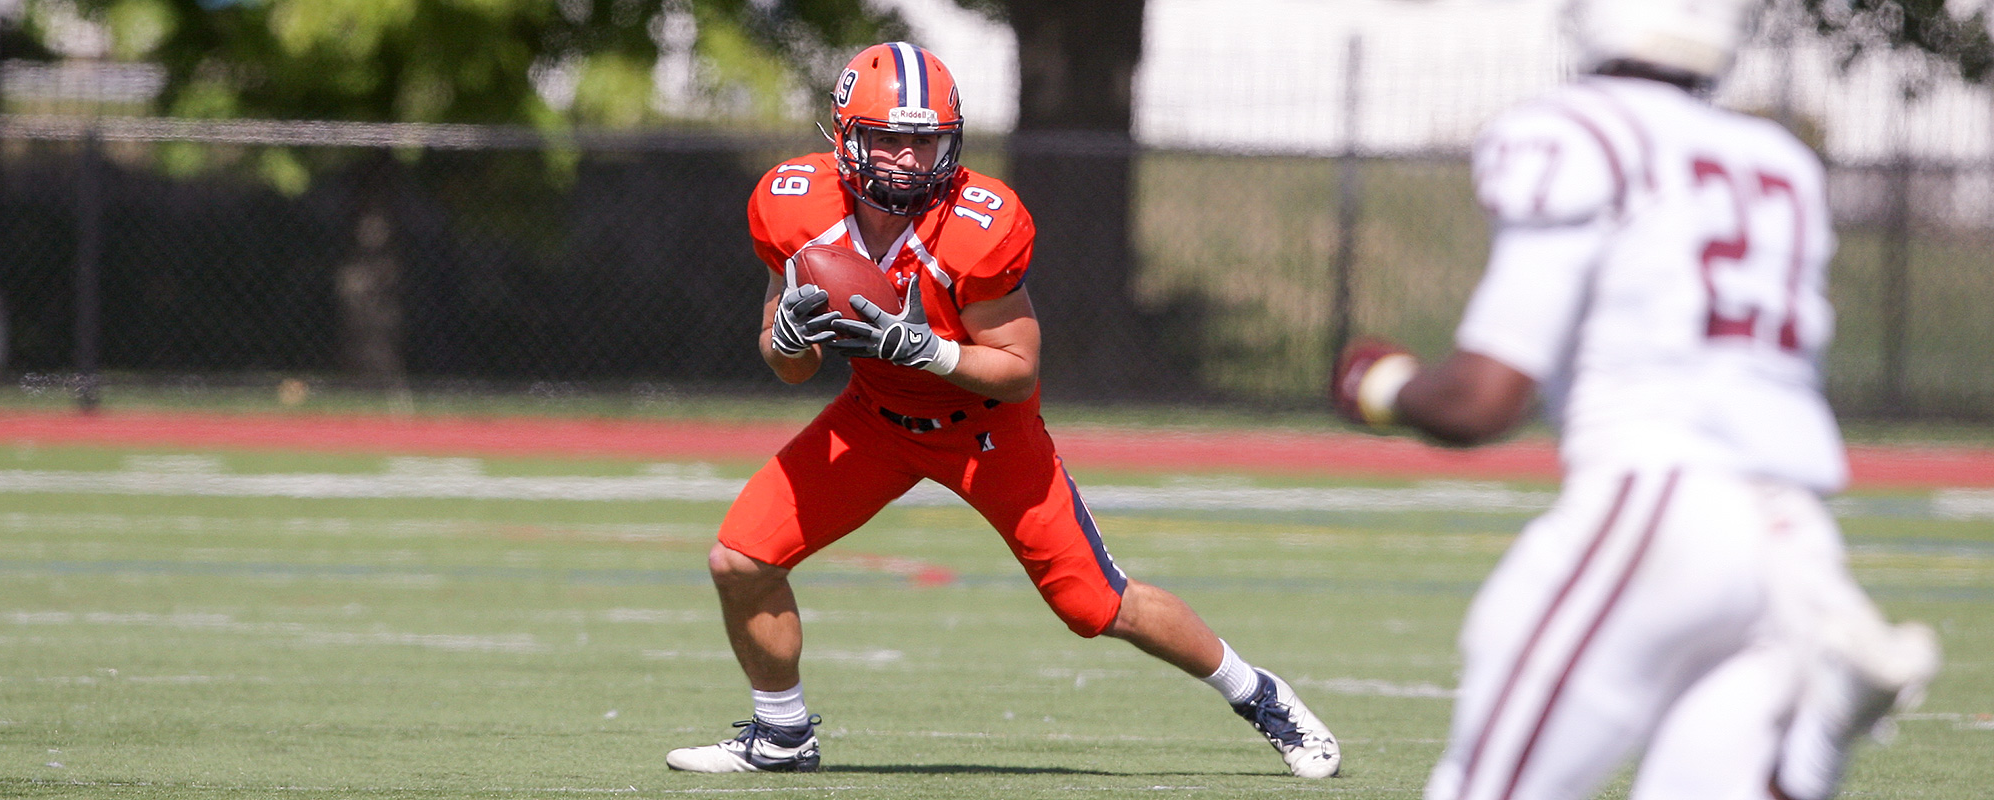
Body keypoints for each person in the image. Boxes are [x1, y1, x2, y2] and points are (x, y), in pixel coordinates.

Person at [664, 41, 1340, 778]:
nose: (907, 159)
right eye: (888, 138)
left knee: (1097, 605)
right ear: (844, 136)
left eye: (925, 140)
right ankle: (782, 736)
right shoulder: (791, 203)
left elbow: (1017, 372)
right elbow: (789, 365)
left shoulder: (978, 223)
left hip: (984, 428)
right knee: (741, 559)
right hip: (872, 420)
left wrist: (923, 349)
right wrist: (787, 337)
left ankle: (1259, 695)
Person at [1328, 2, 1939, 799]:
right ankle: (1809, 745)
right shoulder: (1778, 160)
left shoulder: (1582, 131)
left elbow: (1484, 400)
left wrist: (1382, 387)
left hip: (1659, 503)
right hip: (1793, 538)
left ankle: (1810, 739)